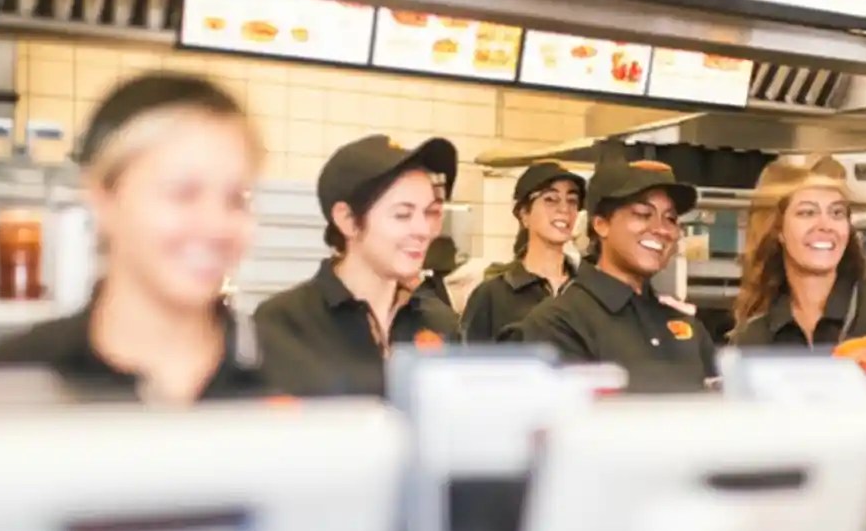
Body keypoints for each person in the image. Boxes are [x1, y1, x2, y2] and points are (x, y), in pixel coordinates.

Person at [0, 73, 267, 404]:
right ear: (103, 198)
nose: (216, 225)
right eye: (183, 193)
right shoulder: (18, 380)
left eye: (236, 199)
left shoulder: (297, 384)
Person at [254, 134, 461, 397]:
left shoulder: (440, 322)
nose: (423, 229)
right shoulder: (284, 324)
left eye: (430, 213)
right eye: (402, 214)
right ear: (348, 220)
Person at [505, 157, 717, 392]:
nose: (662, 229)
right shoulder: (558, 324)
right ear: (601, 224)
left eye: (671, 218)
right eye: (642, 213)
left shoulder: (685, 324)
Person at [730, 155, 866, 350]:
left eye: (837, 213)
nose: (826, 225)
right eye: (807, 212)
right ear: (778, 229)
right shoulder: (754, 339)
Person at [462, 160, 585, 342]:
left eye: (572, 201)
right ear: (524, 214)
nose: (564, 209)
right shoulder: (492, 296)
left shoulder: (588, 289)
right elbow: (469, 364)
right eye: (550, 199)